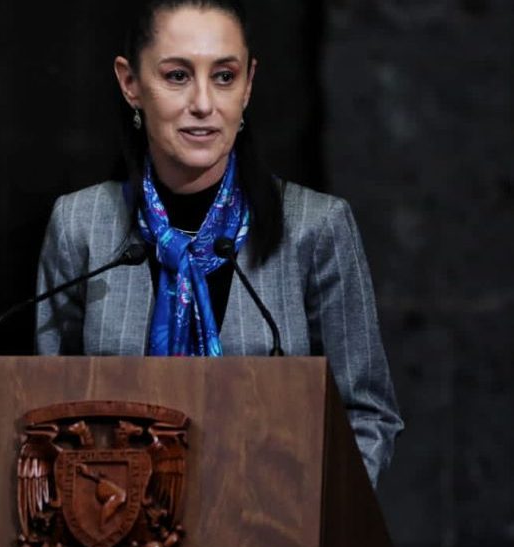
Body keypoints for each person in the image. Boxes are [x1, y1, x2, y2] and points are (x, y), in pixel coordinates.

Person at [36, 0, 403, 486]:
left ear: (248, 84)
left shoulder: (317, 227)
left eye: (224, 77)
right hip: (116, 536)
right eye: (177, 76)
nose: (204, 104)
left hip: (270, 536)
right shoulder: (79, 224)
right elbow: (44, 412)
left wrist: (316, 528)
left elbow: (367, 415)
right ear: (131, 84)